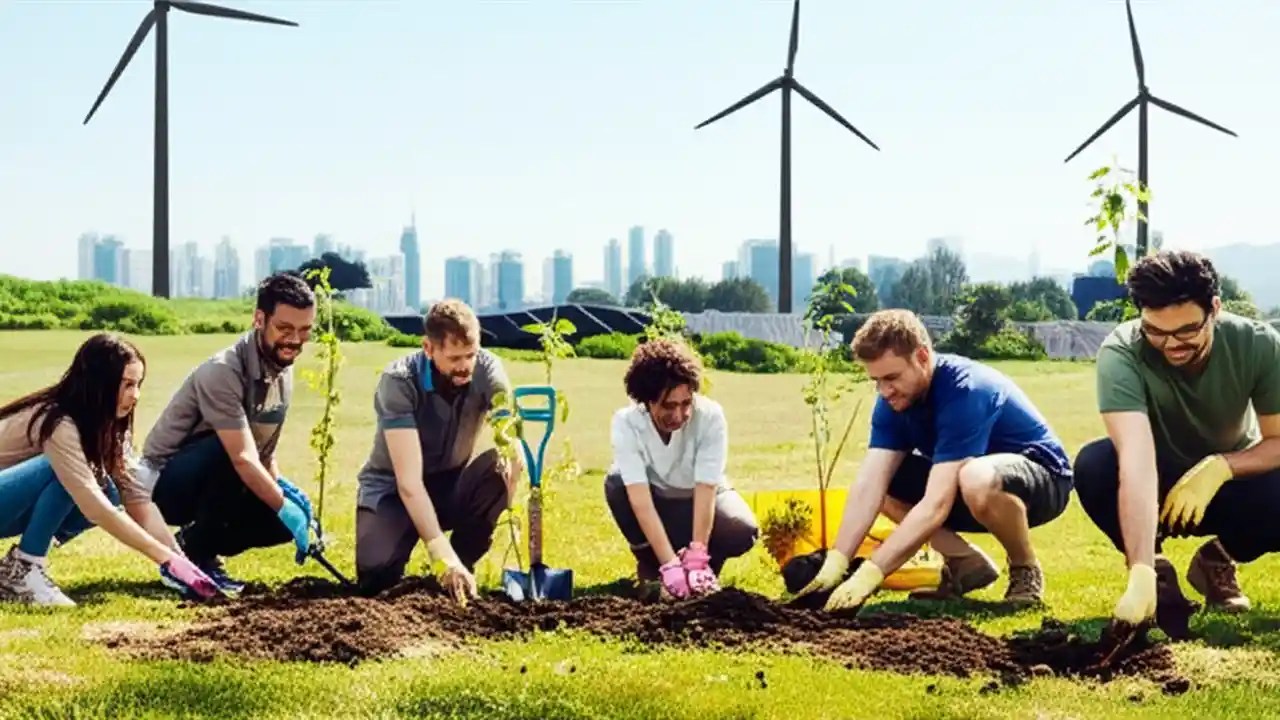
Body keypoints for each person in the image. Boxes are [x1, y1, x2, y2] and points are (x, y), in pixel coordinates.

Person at [795, 309, 1074, 611]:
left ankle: (1025, 570)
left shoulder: (965, 390)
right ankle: (965, 564)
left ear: (923, 357)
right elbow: (869, 486)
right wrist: (837, 562)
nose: (884, 391)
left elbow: (936, 504)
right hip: (972, 486)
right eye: (875, 380)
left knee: (975, 477)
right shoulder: (892, 402)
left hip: (1044, 481)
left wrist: (871, 573)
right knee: (887, 485)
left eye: (892, 377)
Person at [1075, 250, 1275, 630]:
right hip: (1157, 480)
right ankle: (1157, 573)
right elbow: (1134, 461)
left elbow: (1278, 440)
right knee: (1095, 465)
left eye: (1187, 330)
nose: (1172, 345)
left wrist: (1222, 467)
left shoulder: (1258, 345)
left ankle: (1218, 560)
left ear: (1214, 309)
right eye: (1156, 331)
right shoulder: (1122, 353)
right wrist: (1140, 569)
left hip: (1230, 485)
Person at [132, 272, 318, 595]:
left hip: (223, 476)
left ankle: (198, 544)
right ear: (259, 319)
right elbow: (243, 458)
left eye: (304, 330)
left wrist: (288, 499)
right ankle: (188, 558)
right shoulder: (223, 371)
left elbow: (264, 454)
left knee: (278, 522)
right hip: (165, 487)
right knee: (231, 454)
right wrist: (281, 502)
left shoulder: (282, 372)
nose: (294, 340)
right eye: (284, 328)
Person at [0, 333, 218, 606]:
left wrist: (180, 563)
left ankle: (19, 569)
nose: (135, 396)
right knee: (65, 473)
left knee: (110, 489)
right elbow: (95, 507)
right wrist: (165, 558)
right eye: (127, 385)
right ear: (99, 384)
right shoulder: (58, 423)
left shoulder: (107, 428)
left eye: (138, 385)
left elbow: (136, 499)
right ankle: (24, 569)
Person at [354, 298, 519, 601]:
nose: (465, 367)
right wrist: (438, 550)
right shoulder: (399, 382)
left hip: (450, 482)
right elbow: (409, 483)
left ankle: (461, 569)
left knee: (499, 467)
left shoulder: (488, 371)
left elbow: (510, 441)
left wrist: (514, 468)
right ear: (428, 349)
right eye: (455, 358)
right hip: (392, 489)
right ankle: (438, 558)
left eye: (471, 355)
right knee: (376, 576)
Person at [604, 337, 759, 600]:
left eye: (685, 403)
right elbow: (640, 499)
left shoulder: (710, 417)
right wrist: (669, 564)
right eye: (668, 405)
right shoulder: (626, 423)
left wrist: (697, 555)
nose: (678, 416)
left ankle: (703, 569)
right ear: (647, 400)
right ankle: (653, 566)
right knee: (616, 483)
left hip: (697, 498)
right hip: (656, 499)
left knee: (741, 527)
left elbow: (707, 486)